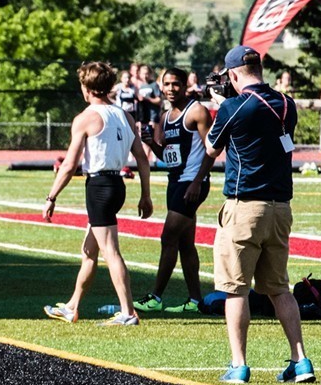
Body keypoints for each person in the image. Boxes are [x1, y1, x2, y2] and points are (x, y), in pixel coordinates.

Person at [205, 45, 314, 384]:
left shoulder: (234, 107)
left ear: (234, 74)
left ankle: (238, 365)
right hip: (280, 206)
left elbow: (211, 147)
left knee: (235, 288)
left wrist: (221, 106)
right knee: (279, 287)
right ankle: (301, 361)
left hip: (245, 205)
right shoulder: (286, 104)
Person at [42, 61, 152, 326]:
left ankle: (128, 313)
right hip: (117, 185)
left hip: (99, 187)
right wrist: (145, 195)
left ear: (86, 87)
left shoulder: (86, 118)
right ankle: (72, 306)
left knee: (111, 252)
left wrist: (51, 196)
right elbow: (142, 158)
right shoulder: (124, 115)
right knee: (89, 251)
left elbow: (69, 165)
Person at [133, 67, 213, 313]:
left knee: (168, 238)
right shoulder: (166, 116)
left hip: (191, 184)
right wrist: (150, 144)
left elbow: (211, 149)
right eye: (166, 84)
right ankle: (195, 300)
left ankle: (155, 297)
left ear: (185, 85)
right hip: (175, 181)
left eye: (175, 84)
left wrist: (198, 181)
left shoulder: (196, 111)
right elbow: (169, 157)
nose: (170, 89)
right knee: (185, 244)